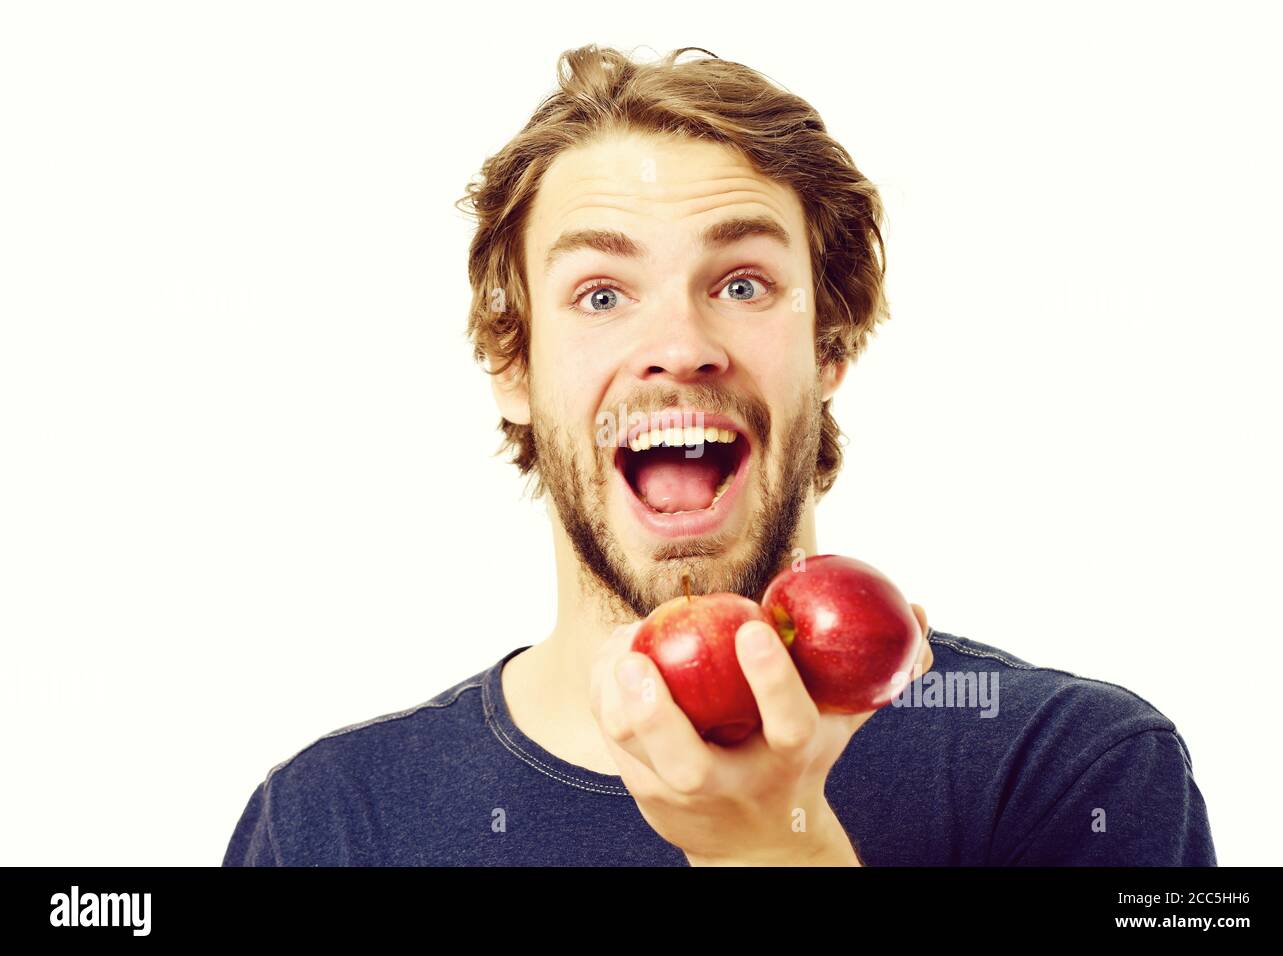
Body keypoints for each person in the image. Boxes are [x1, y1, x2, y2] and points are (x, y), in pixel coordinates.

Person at [223, 44, 1216, 866]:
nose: (680, 341)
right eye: (602, 294)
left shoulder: (1076, 772)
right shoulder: (324, 826)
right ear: (511, 364)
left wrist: (777, 853)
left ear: (830, 345)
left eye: (742, 283)